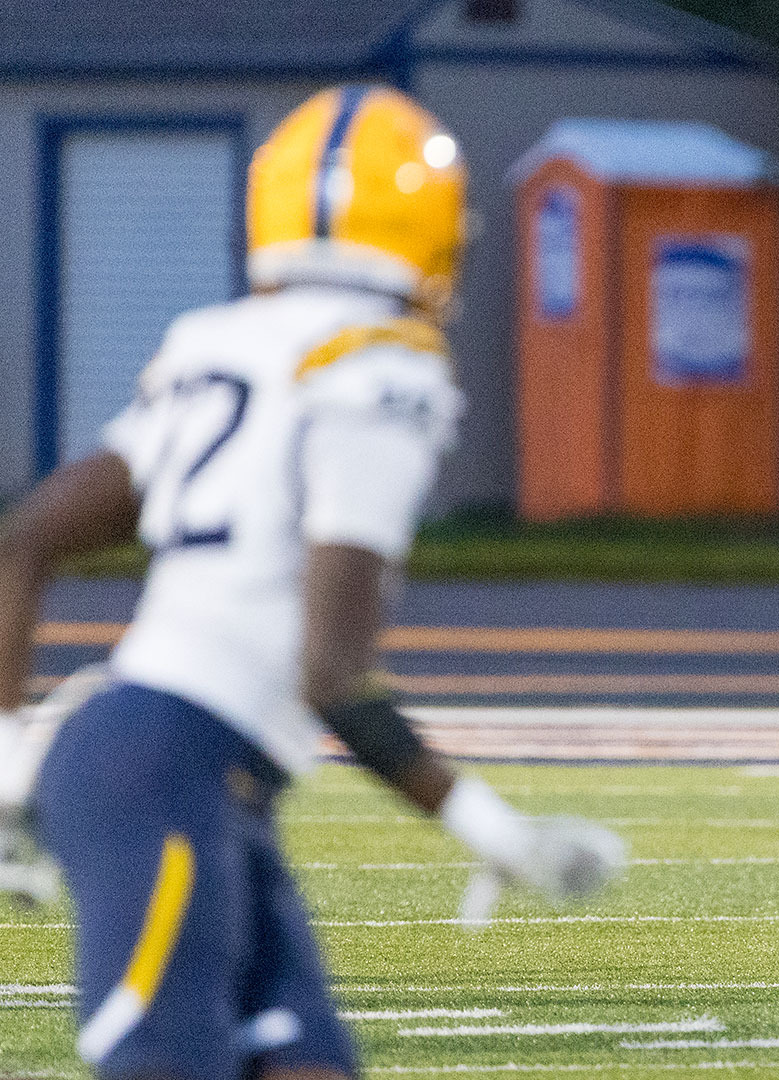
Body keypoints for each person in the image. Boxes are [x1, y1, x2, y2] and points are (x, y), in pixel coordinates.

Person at [0, 85, 625, 1080]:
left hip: (169, 768)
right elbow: (333, 672)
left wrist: (5, 754)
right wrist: (493, 830)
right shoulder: (385, 368)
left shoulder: (217, 341)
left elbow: (22, 540)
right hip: (168, 768)